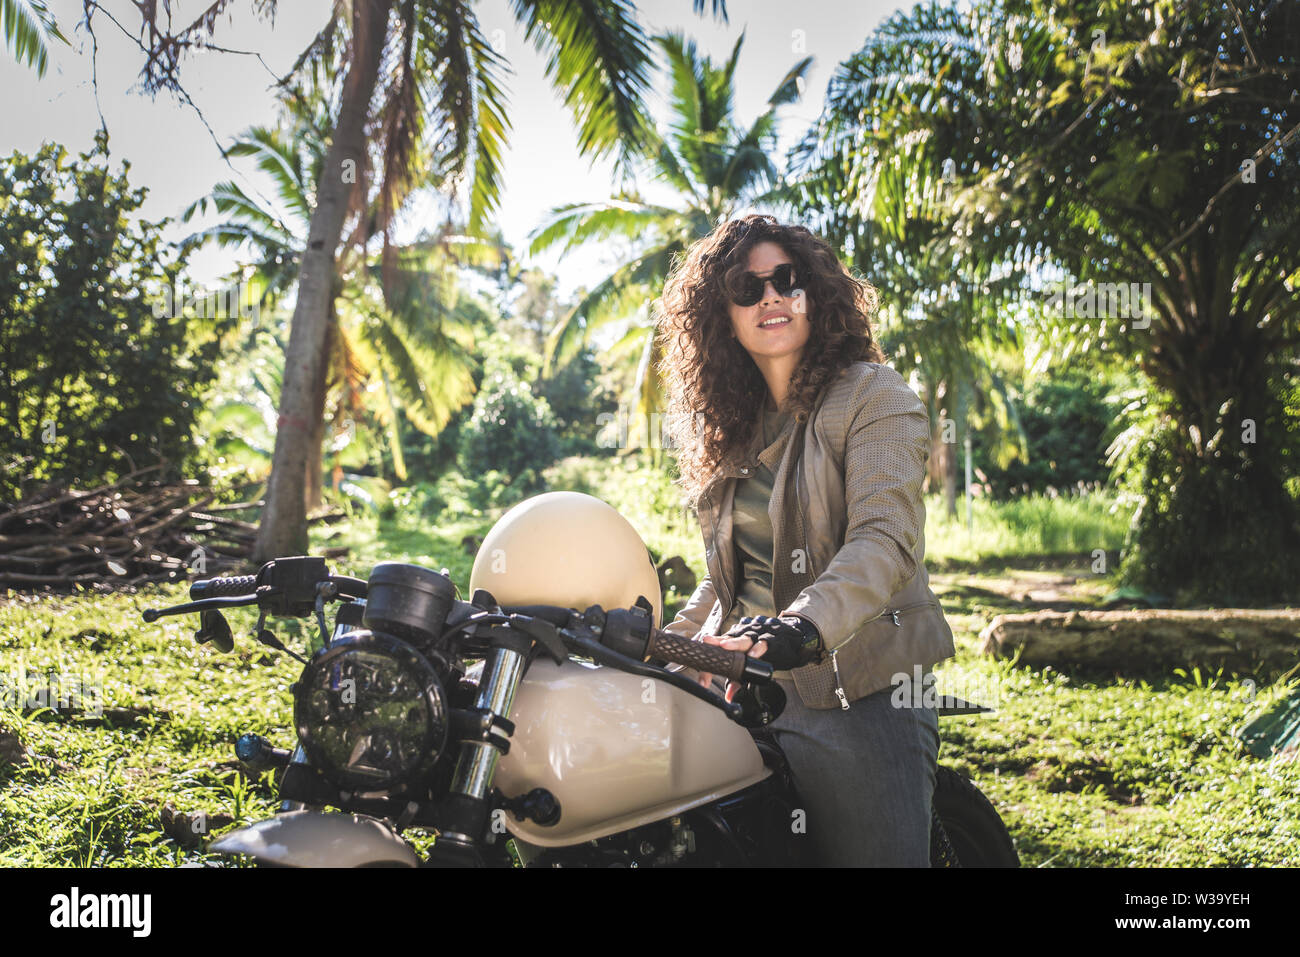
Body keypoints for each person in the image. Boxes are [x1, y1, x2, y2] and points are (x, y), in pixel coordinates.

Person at [656, 214, 957, 866]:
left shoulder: (875, 396)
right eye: (746, 285)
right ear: (722, 313)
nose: (769, 296)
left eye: (785, 279)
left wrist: (801, 627)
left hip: (856, 688)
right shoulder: (731, 429)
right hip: (746, 684)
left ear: (814, 292)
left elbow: (884, 541)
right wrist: (668, 650)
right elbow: (726, 579)